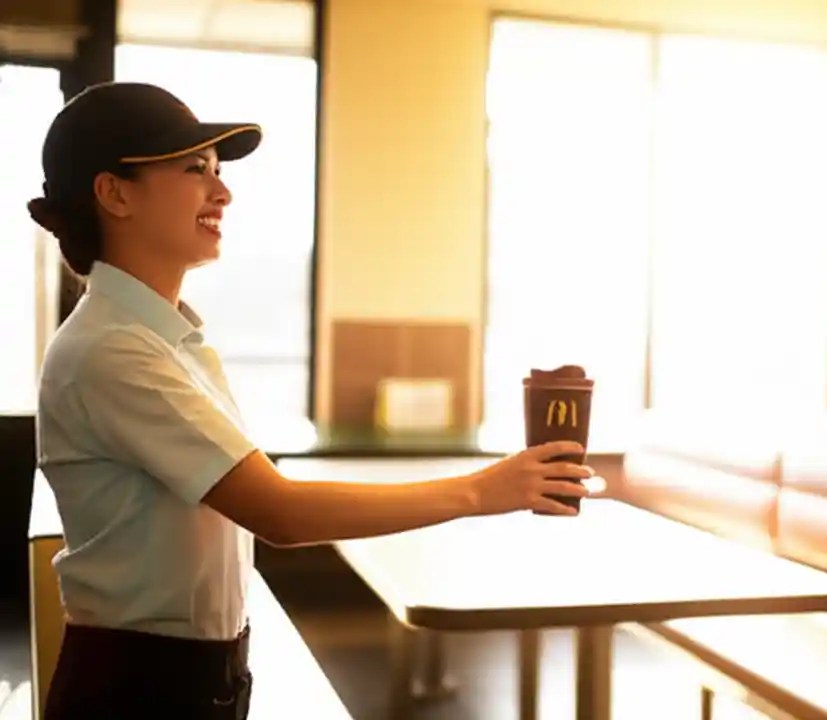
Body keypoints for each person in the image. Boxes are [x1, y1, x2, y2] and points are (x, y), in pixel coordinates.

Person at [28, 82, 593, 720]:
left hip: (188, 677)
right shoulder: (114, 350)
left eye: (218, 171)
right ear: (115, 193)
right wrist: (484, 491)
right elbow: (281, 513)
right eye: (194, 170)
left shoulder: (163, 339)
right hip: (141, 689)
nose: (222, 192)